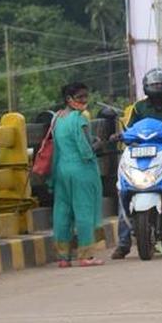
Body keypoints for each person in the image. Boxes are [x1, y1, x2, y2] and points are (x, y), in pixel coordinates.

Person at [111, 68, 162, 260]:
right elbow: (130, 129)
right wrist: (121, 135)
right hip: (140, 152)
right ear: (147, 87)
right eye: (155, 85)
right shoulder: (139, 108)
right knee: (122, 188)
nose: (159, 88)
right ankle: (123, 243)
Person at [52, 82, 105, 267]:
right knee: (85, 210)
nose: (84, 100)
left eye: (85, 96)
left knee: (62, 213)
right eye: (80, 97)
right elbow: (85, 148)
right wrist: (98, 144)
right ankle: (85, 255)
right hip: (82, 170)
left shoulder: (57, 118)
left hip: (61, 170)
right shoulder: (79, 118)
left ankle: (63, 258)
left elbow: (56, 149)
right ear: (69, 99)